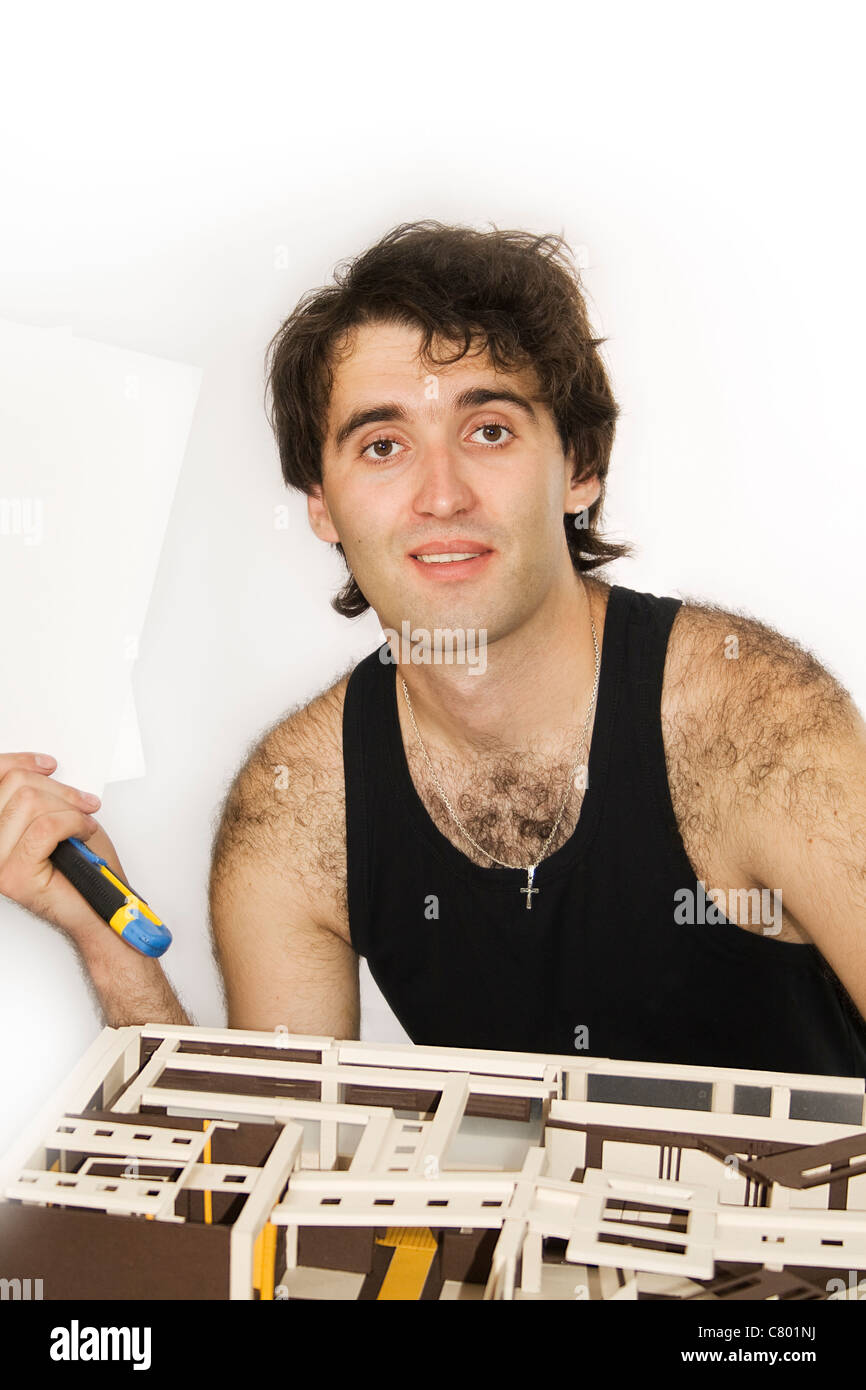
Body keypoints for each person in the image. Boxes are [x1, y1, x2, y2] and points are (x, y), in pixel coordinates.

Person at [2, 220, 865, 1075]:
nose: (440, 495)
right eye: (383, 446)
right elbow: (262, 1170)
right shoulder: (299, 811)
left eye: (488, 429)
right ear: (323, 505)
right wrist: (108, 943)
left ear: (581, 465)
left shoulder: (756, 727)